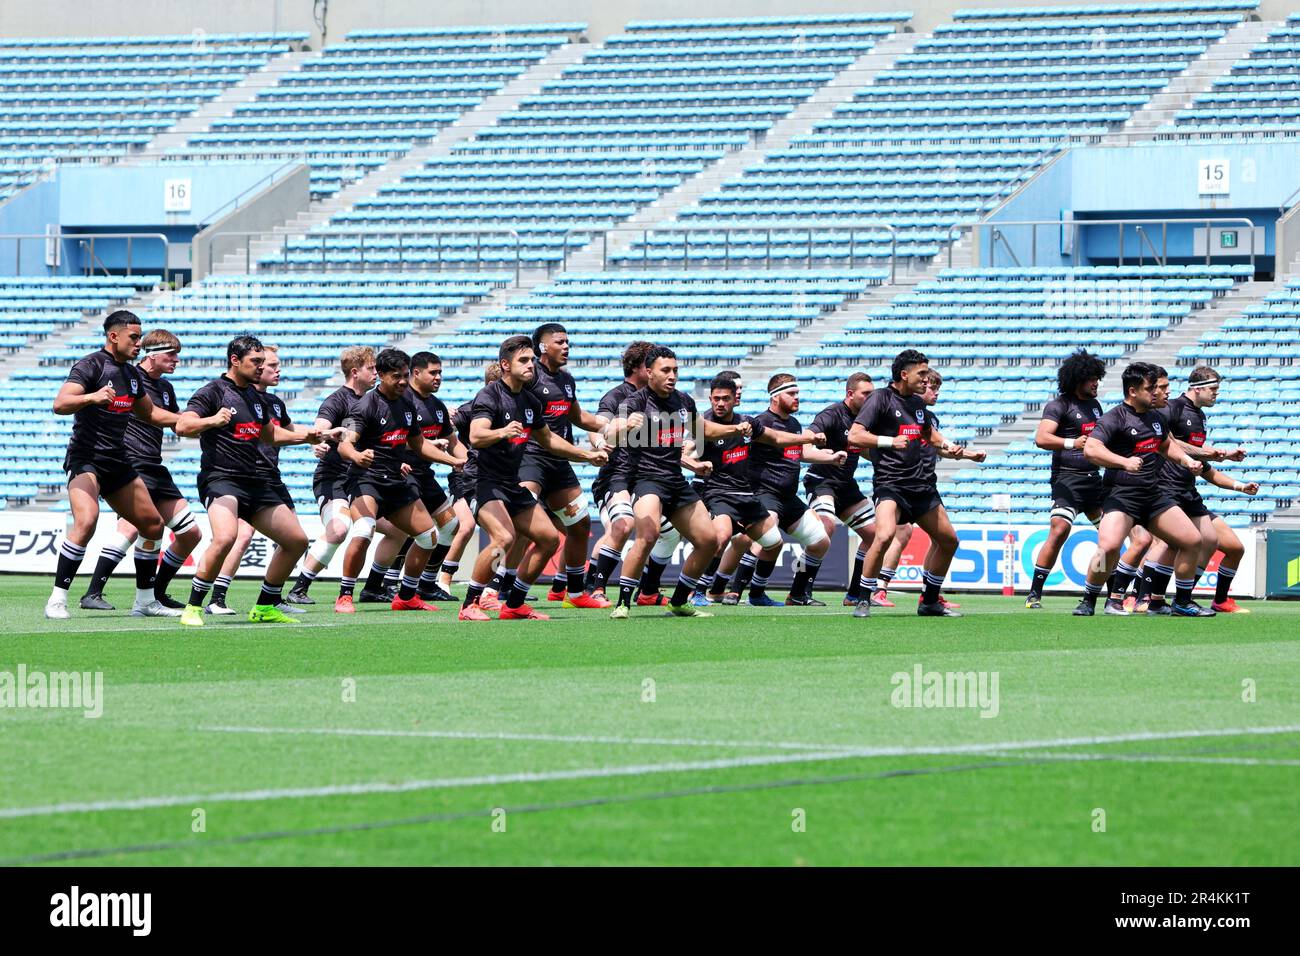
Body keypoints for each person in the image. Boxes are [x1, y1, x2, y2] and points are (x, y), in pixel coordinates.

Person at [176, 335, 341, 627]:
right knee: (226, 537)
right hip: (221, 478)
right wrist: (212, 421)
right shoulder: (212, 392)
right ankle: (194, 606)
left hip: (255, 481)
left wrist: (308, 437)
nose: (261, 367)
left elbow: (271, 434)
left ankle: (265, 606)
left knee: (296, 541)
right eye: (255, 361)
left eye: (263, 362)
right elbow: (182, 425)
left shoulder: (256, 398)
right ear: (235, 360)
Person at [47, 311, 196, 620]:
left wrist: (194, 422)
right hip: (86, 458)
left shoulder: (131, 375)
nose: (139, 343)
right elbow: (60, 403)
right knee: (86, 520)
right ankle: (57, 600)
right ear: (113, 336)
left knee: (152, 525)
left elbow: (151, 414)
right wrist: (92, 397)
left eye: (140, 337)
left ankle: (145, 602)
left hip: (118, 462)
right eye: (134, 337)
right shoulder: (90, 365)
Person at [458, 335, 607, 621]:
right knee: (504, 537)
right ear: (505, 365)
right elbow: (476, 436)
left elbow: (549, 440)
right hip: (482, 480)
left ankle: (514, 604)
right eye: (523, 361)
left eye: (531, 360)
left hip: (510, 482)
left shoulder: (529, 401)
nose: (530, 365)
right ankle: (470, 604)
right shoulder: (490, 395)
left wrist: (586, 455)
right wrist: (502, 432)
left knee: (549, 538)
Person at [605, 346, 750, 619]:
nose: (672, 375)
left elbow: (703, 430)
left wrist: (735, 429)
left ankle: (680, 601)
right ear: (649, 372)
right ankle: (622, 603)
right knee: (648, 536)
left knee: (709, 540)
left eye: (675, 370)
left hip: (675, 479)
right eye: (665, 370)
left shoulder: (683, 400)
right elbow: (609, 435)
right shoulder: (635, 401)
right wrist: (623, 425)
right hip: (646, 480)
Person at [847, 349, 984, 619]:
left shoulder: (917, 405)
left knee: (949, 541)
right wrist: (888, 441)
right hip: (891, 484)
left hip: (921, 486)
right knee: (883, 536)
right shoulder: (880, 398)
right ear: (904, 374)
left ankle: (930, 601)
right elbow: (855, 435)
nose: (926, 379)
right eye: (921, 374)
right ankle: (863, 598)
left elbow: (930, 435)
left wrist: (953, 447)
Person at [332, 348, 465, 613]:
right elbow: (344, 444)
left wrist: (453, 461)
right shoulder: (364, 406)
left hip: (396, 480)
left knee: (428, 537)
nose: (403, 381)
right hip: (366, 479)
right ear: (381, 375)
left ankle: (406, 596)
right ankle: (345, 595)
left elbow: (419, 444)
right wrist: (356, 456)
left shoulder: (407, 405)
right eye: (397, 376)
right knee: (363, 530)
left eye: (405, 375)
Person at [1073, 362, 1211, 617]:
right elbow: (1091, 449)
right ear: (1133, 391)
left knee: (1192, 540)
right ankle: (1089, 599)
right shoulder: (1114, 417)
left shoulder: (1156, 417)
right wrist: (1123, 462)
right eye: (1151, 388)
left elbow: (1166, 445)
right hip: (1121, 495)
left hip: (1152, 494)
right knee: (1108, 547)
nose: (1157, 392)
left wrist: (1186, 460)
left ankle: (1182, 602)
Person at [686, 374, 825, 607]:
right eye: (716, 399)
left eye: (726, 399)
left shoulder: (748, 423)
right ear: (710, 399)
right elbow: (684, 451)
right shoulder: (705, 426)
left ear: (735, 400)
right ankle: (698, 591)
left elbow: (777, 438)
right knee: (720, 537)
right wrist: (695, 465)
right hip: (718, 493)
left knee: (774, 543)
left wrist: (806, 438)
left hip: (745, 494)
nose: (720, 403)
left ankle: (757, 594)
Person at [1133, 366, 1259, 614]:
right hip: (1165, 487)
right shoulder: (1173, 408)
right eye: (1213, 389)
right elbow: (1165, 442)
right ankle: (1141, 597)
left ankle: (1183, 598)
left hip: (1186, 490)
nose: (1216, 394)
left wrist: (1236, 481)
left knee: (1210, 540)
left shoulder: (1199, 417)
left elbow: (1201, 461)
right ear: (1197, 389)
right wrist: (1209, 453)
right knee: (1168, 544)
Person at [206, 345, 303, 615]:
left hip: (271, 477)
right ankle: (216, 598)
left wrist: (315, 438)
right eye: (270, 365)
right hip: (245, 476)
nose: (274, 370)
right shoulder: (228, 395)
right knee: (241, 535)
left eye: (273, 365)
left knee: (294, 537)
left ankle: (272, 599)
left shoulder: (274, 403)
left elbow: (287, 432)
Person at [521, 324, 612, 609]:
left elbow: (578, 417)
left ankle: (575, 594)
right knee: (520, 526)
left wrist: (609, 425)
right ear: (542, 347)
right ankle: (494, 590)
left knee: (580, 525)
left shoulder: (566, 380)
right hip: (530, 459)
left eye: (567, 342)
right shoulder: (529, 376)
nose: (566, 347)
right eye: (560, 342)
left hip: (558, 463)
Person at [285, 346, 376, 604]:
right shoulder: (337, 400)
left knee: (399, 528)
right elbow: (320, 428)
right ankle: (299, 588)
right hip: (334, 478)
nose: (376, 373)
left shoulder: (375, 401)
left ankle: (377, 586)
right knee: (338, 529)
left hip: (364, 480)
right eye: (371, 368)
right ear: (355, 372)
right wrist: (319, 444)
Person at [585, 341, 654, 600]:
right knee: (622, 525)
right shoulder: (616, 396)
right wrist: (599, 444)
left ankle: (648, 591)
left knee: (666, 530)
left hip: (648, 477)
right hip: (616, 476)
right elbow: (596, 427)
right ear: (637, 367)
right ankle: (594, 587)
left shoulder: (657, 398)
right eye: (650, 363)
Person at [805, 371, 877, 606]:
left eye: (872, 393)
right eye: (866, 393)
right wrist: (825, 453)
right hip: (821, 480)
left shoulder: (865, 420)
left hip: (846, 485)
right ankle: (799, 592)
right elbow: (805, 444)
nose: (870, 398)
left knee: (875, 535)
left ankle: (855, 595)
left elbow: (863, 449)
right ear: (850, 394)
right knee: (825, 528)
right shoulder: (832, 414)